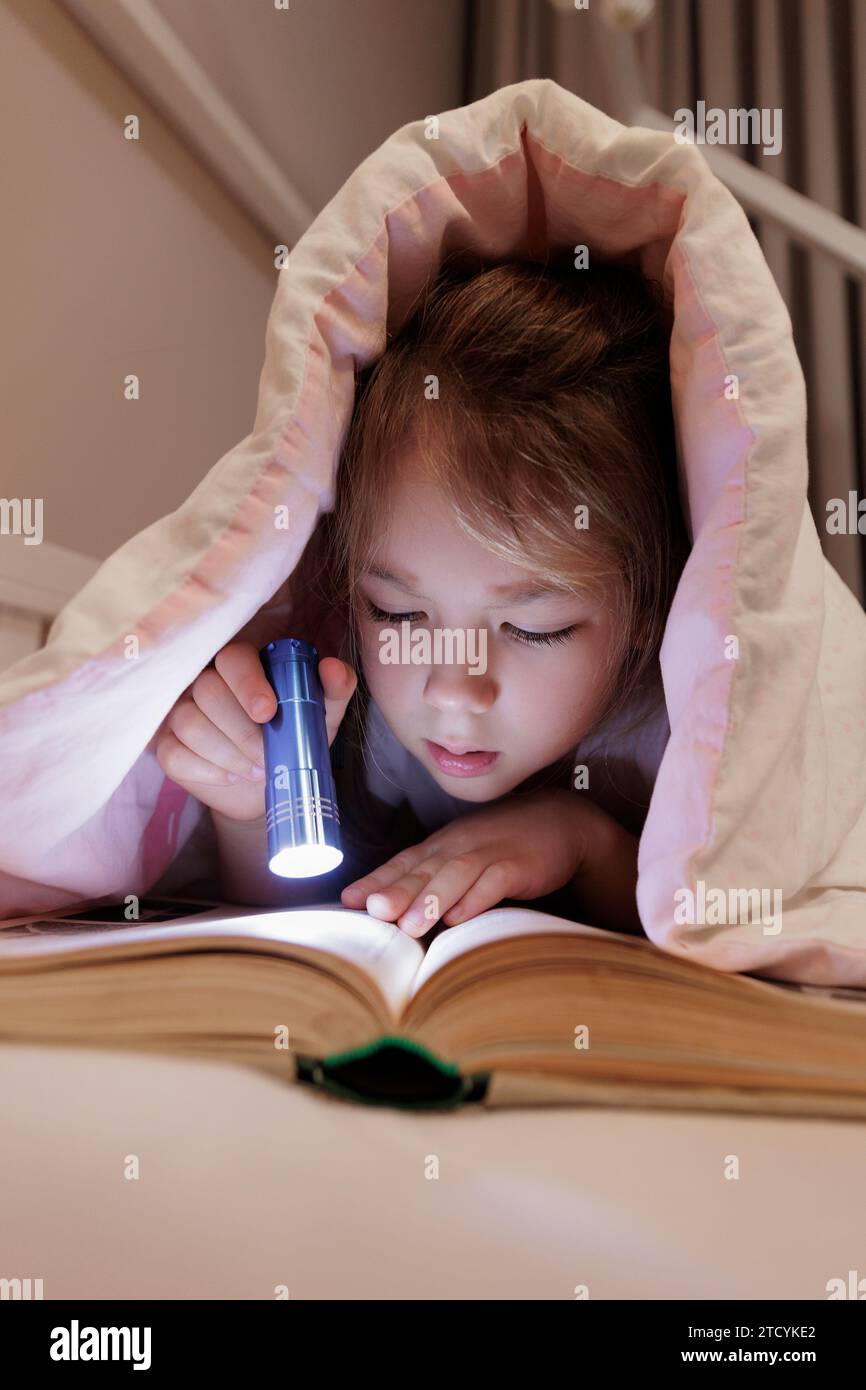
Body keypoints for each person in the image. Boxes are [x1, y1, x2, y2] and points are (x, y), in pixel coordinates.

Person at [155, 252, 691, 937]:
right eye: (399, 613)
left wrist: (586, 844)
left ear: (647, 608)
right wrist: (253, 809)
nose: (452, 690)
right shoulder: (364, 711)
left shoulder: (683, 728)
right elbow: (297, 912)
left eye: (533, 628)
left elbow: (723, 922)